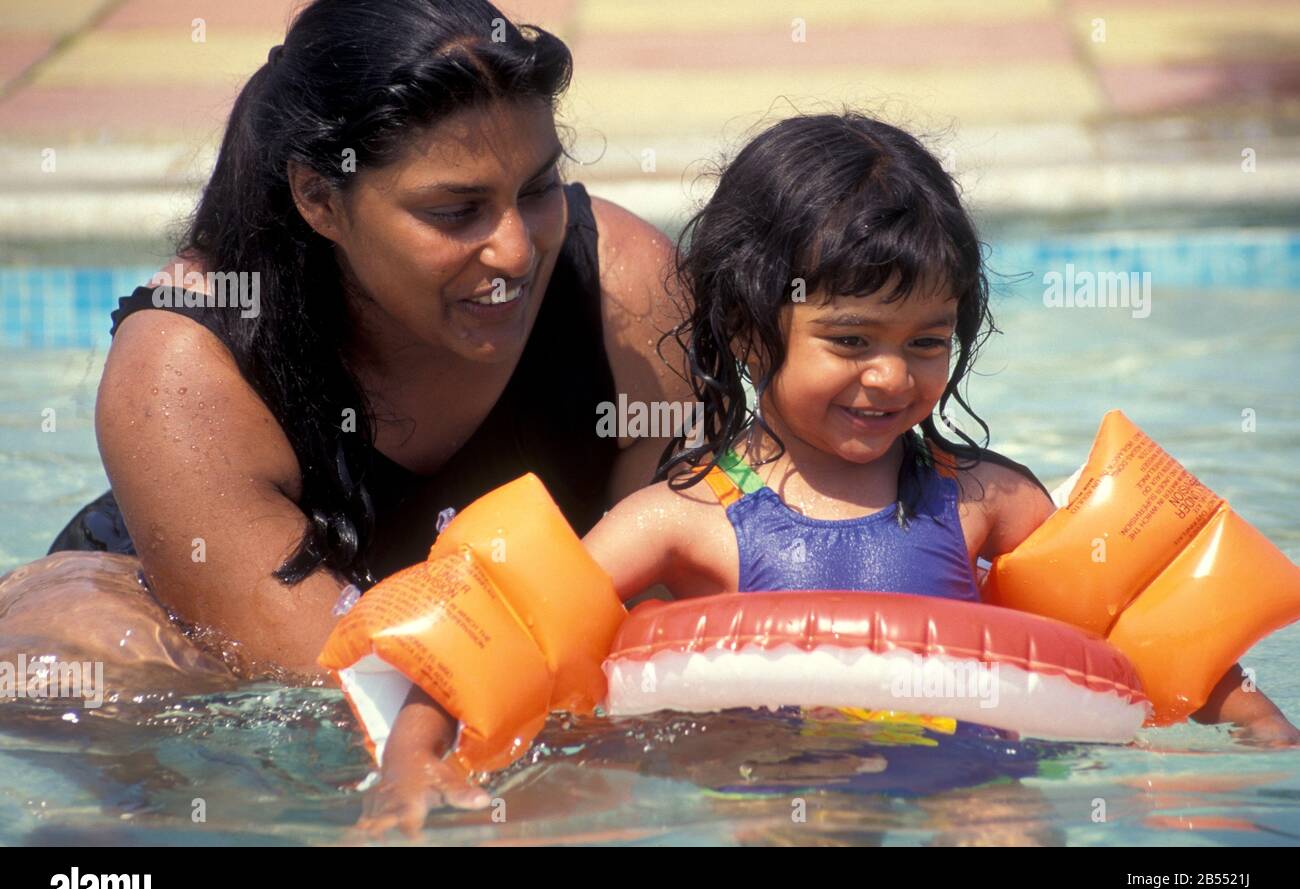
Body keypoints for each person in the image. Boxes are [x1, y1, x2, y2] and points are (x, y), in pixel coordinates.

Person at [361, 111, 1300, 837]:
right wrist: (414, 757)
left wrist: (1262, 735)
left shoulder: (984, 500)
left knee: (1007, 837)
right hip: (781, 790)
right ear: (745, 332)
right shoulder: (682, 520)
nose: (892, 376)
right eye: (850, 341)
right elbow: (512, 632)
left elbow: (1136, 626)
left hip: (972, 785)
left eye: (927, 342)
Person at [3, 0, 690, 678]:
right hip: (161, 614)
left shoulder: (624, 293)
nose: (515, 251)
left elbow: (669, 612)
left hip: (479, 632)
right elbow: (343, 689)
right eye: (456, 211)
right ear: (320, 200)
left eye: (539, 189)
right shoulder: (189, 367)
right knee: (80, 664)